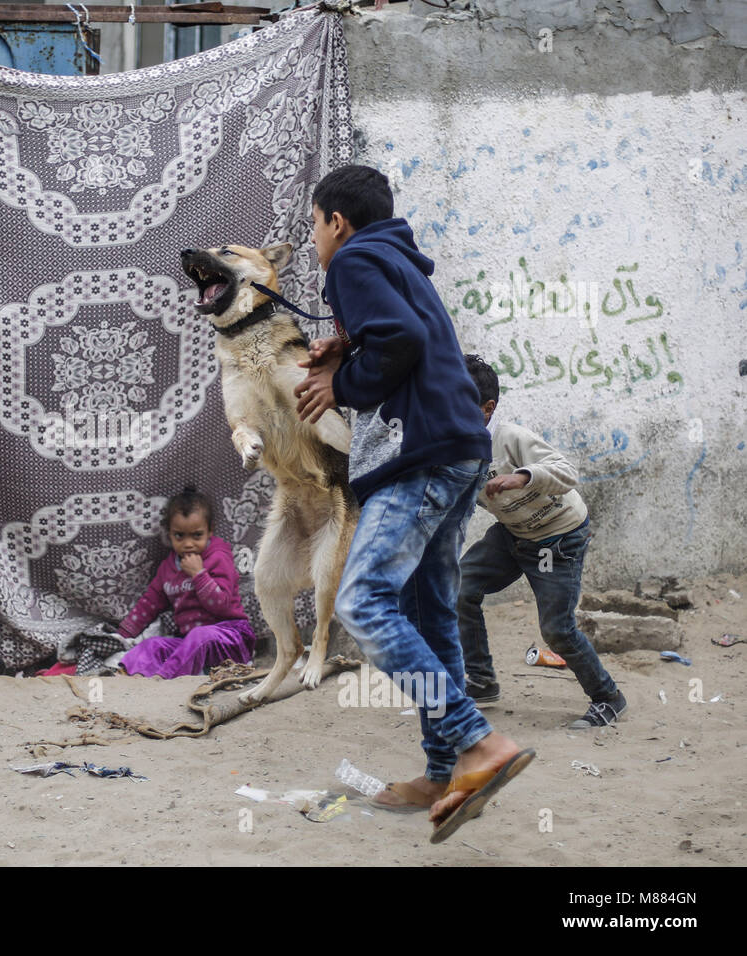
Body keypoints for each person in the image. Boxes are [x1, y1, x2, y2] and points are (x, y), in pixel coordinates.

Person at [293, 164, 532, 843]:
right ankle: (444, 769)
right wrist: (349, 345)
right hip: (459, 449)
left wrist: (342, 383)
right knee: (431, 615)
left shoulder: (356, 259)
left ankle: (478, 743)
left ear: (337, 221)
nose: (314, 239)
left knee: (362, 601)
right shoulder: (399, 262)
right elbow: (402, 333)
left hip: (419, 456)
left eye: (314, 225)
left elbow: (401, 341)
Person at [458, 354, 626, 728]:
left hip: (557, 540)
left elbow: (567, 472)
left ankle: (608, 696)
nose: (449, 413)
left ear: (488, 409)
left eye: (460, 405)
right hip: (513, 536)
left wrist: (523, 477)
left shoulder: (511, 438)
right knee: (460, 587)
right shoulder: (459, 449)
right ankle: (482, 681)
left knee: (557, 629)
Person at [115, 486, 254, 679]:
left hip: (229, 638)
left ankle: (163, 678)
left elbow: (222, 605)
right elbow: (149, 603)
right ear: (170, 534)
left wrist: (199, 575)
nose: (188, 543)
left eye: (197, 535)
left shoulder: (218, 556)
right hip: (189, 644)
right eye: (179, 536)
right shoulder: (168, 568)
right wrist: (123, 634)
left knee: (200, 636)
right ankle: (127, 675)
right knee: (152, 645)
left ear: (210, 530)